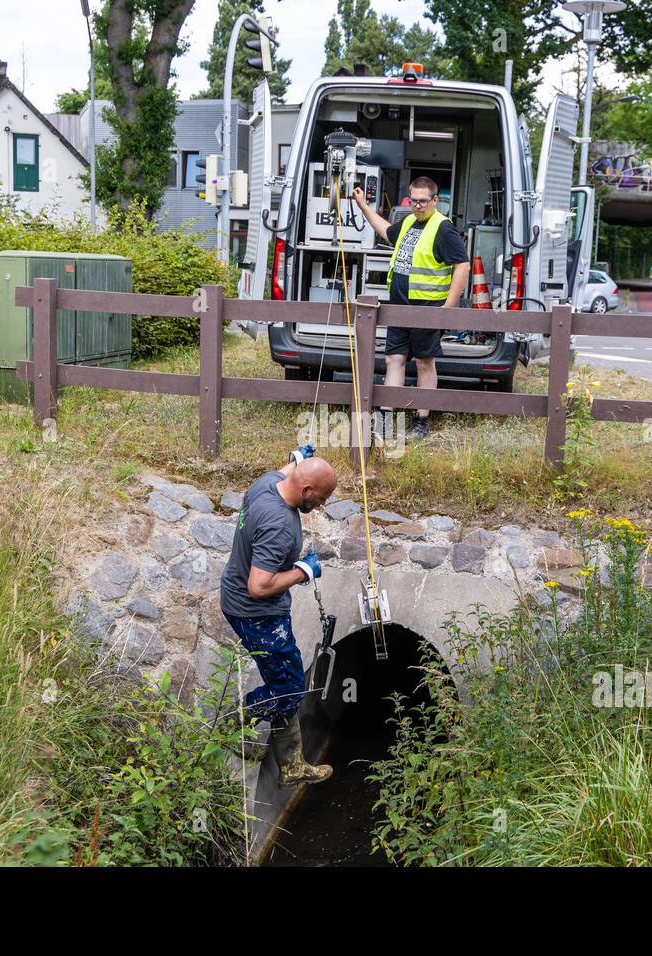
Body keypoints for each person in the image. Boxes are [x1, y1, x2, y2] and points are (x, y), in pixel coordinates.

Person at [217, 445, 338, 786]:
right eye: (321, 498)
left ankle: (292, 765)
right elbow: (260, 584)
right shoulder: (279, 526)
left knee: (286, 681)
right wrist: (303, 572)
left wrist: (297, 459)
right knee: (289, 689)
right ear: (305, 490)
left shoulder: (266, 483)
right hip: (257, 612)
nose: (321, 505)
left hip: (236, 596)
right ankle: (232, 721)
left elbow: (288, 472)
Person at [352, 176, 470, 439]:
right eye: (413, 201)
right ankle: (384, 422)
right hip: (399, 306)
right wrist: (364, 206)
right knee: (394, 359)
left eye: (423, 201)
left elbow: (462, 265)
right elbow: (385, 230)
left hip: (427, 308)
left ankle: (421, 422)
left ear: (435, 200)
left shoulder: (443, 229)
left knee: (424, 363)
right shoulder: (407, 222)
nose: (417, 206)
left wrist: (448, 308)